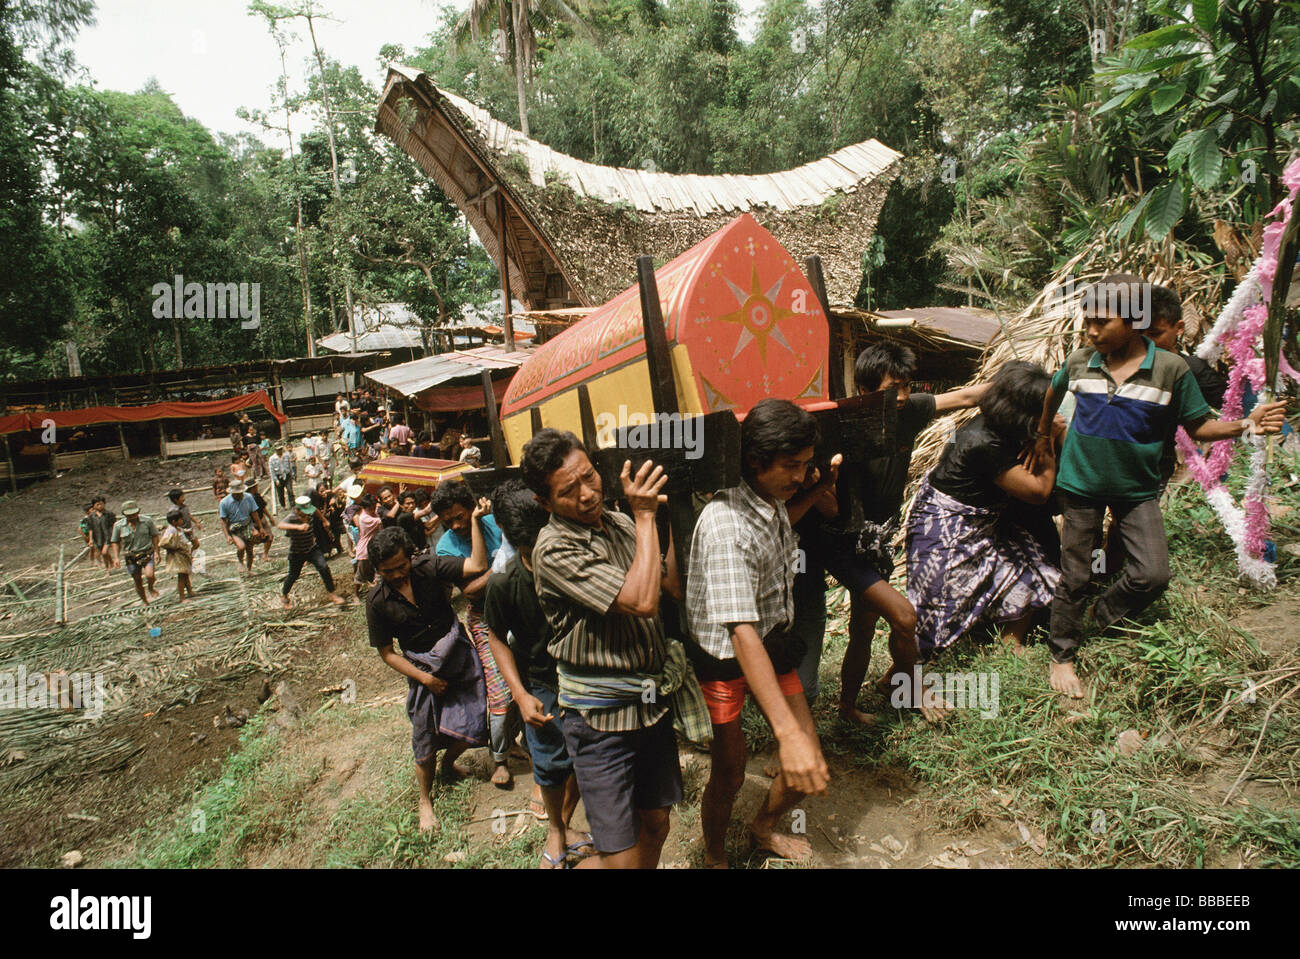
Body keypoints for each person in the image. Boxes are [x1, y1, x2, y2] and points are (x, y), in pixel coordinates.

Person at [1025, 274, 1288, 698]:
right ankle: (1062, 655)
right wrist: (1041, 436)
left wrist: (1245, 424)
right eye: (1087, 320)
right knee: (1076, 573)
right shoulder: (1079, 361)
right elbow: (1052, 394)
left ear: (1134, 321)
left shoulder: (1171, 369)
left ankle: (1103, 613)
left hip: (1137, 489)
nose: (1091, 331)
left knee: (1152, 574)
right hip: (1081, 485)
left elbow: (1199, 426)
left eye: (1103, 322)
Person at [524, 429, 703, 869]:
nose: (587, 494)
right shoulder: (554, 549)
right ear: (546, 504)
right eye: (569, 491)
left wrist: (675, 512)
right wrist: (644, 518)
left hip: (649, 706)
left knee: (657, 824)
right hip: (600, 720)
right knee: (618, 858)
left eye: (589, 477)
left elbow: (669, 586)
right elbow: (642, 601)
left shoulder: (620, 524)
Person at [804, 342, 989, 724]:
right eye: (892, 389)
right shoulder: (839, 426)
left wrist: (1036, 386)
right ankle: (913, 686)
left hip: (878, 539)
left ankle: (846, 708)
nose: (902, 397)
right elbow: (822, 495)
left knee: (863, 627)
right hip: (842, 542)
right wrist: (827, 489)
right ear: (865, 391)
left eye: (906, 386)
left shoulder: (909, 410)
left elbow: (968, 395)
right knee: (905, 617)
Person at [686, 399, 830, 866]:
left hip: (772, 644)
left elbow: (776, 528)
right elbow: (739, 630)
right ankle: (713, 855)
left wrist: (814, 489)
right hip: (726, 657)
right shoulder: (725, 524)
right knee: (729, 772)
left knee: (806, 758)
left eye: (807, 465)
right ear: (754, 461)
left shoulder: (770, 502)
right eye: (792, 466)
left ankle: (762, 826)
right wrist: (785, 732)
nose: (800, 476)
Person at [906, 362, 1064, 661]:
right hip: (947, 528)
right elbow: (1039, 492)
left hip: (983, 524)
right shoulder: (983, 442)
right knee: (936, 613)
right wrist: (1049, 440)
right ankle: (899, 677)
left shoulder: (1003, 426)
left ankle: (1009, 642)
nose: (1048, 417)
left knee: (1034, 574)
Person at [484, 479, 591, 868]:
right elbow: (495, 635)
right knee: (549, 763)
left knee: (587, 756)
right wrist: (519, 694)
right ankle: (557, 830)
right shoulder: (504, 582)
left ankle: (565, 823)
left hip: (587, 677)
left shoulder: (578, 558)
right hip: (542, 683)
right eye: (534, 551)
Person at [366, 523, 489, 832]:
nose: (396, 575)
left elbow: (476, 565)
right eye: (387, 571)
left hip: (458, 653)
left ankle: (449, 766)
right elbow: (387, 653)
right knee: (425, 734)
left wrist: (474, 519)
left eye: (400, 566)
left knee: (476, 714)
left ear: (410, 556)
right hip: (422, 668)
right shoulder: (377, 601)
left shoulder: (430, 566)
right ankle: (425, 800)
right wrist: (424, 679)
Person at [430, 478, 516, 787]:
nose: (454, 525)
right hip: (484, 619)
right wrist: (504, 563)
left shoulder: (497, 520)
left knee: (529, 682)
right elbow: (472, 590)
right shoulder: (445, 546)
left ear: (472, 506)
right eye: (446, 521)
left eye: (459, 516)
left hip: (518, 609)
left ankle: (519, 742)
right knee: (500, 692)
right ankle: (500, 758)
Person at [277, 496, 347, 609]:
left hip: (311, 549)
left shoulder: (310, 511)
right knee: (293, 575)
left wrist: (324, 520)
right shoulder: (292, 517)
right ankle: (284, 595)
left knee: (324, 568)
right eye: (304, 512)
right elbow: (280, 525)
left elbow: (315, 510)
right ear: (297, 509)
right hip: (297, 552)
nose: (307, 514)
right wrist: (298, 527)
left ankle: (332, 594)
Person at [111, 500, 161, 606]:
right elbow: (115, 542)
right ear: (124, 514)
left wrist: (157, 551)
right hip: (131, 556)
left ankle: (151, 587)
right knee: (137, 580)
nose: (132, 517)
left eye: (134, 514)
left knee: (150, 575)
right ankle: (144, 601)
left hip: (147, 552)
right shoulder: (119, 526)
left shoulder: (147, 521)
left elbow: (155, 536)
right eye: (129, 515)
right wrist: (116, 557)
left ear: (138, 512)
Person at [159, 508, 199, 602]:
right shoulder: (171, 530)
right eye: (180, 519)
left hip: (183, 554)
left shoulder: (178, 528)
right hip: (178, 556)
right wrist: (174, 547)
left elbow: (182, 534)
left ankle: (190, 591)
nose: (182, 521)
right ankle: (182, 597)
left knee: (186, 574)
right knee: (181, 576)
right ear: (174, 521)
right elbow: (164, 542)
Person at [219, 480, 259, 574]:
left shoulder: (248, 497)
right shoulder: (224, 503)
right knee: (241, 547)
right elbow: (223, 521)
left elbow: (254, 513)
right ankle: (240, 561)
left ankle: (249, 569)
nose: (239, 495)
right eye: (237, 494)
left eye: (240, 493)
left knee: (250, 549)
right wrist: (227, 536)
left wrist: (259, 528)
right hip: (234, 528)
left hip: (247, 525)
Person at [353, 493, 383, 596]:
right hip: (365, 550)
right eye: (371, 508)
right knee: (360, 575)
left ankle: (377, 589)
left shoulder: (373, 513)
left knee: (378, 571)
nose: (373, 509)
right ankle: (355, 595)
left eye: (374, 507)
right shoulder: (364, 518)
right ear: (365, 508)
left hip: (374, 547)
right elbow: (381, 520)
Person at [88, 496, 116, 573]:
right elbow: (91, 528)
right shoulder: (91, 516)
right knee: (104, 553)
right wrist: (90, 539)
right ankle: (111, 563)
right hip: (98, 537)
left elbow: (113, 526)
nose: (100, 506)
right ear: (93, 506)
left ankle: (108, 569)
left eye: (102, 504)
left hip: (108, 536)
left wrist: (114, 536)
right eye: (97, 504)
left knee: (104, 553)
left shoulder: (109, 514)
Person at [268, 442, 296, 508]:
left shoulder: (286, 456)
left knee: (290, 491)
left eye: (280, 449)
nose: (279, 451)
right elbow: (271, 471)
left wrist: (292, 475)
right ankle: (283, 505)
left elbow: (290, 466)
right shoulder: (272, 459)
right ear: (275, 450)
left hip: (287, 475)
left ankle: (293, 505)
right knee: (280, 493)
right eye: (278, 449)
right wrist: (276, 480)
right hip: (278, 477)